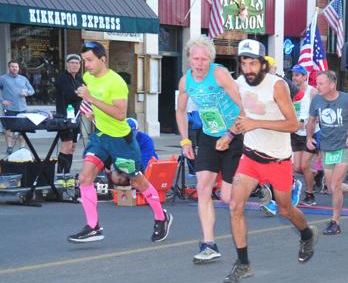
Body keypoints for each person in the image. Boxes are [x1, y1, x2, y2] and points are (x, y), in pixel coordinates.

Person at [222, 40, 318, 283]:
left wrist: (257, 124)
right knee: (235, 206)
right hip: (251, 156)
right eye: (244, 63)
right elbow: (243, 116)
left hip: (278, 160)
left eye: (253, 63)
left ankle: (307, 234)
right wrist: (230, 134)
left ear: (263, 63)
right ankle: (243, 263)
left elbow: (293, 124)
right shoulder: (240, 83)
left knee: (284, 209)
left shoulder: (277, 86)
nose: (248, 68)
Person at [67, 42, 171, 244]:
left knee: (136, 181)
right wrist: (89, 110)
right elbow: (93, 101)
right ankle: (93, 226)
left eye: (89, 60)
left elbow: (120, 114)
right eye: (83, 60)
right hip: (101, 137)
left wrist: (91, 99)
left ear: (102, 60)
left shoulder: (116, 82)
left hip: (121, 140)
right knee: (85, 177)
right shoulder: (88, 77)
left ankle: (161, 217)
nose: (85, 65)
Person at [175, 36, 244, 264]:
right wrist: (185, 141)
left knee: (226, 197)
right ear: (188, 59)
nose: (200, 63)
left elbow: (242, 107)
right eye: (195, 58)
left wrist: (230, 134)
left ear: (210, 60)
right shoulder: (186, 82)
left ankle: (258, 185)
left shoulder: (219, 74)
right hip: (209, 136)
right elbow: (181, 111)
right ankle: (209, 244)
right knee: (203, 188)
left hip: (234, 135)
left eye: (204, 59)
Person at [307, 70, 348, 234]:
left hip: (345, 146)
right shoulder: (316, 100)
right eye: (317, 82)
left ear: (332, 84)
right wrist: (309, 137)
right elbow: (311, 121)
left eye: (321, 83)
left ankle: (335, 222)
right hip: (326, 147)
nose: (318, 86)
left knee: (335, 185)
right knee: (330, 188)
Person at [289, 66, 318, 206]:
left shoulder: (312, 91)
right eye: (293, 75)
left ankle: (310, 195)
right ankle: (315, 174)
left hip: (309, 133)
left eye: (298, 75)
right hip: (295, 133)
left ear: (305, 77)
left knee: (305, 166)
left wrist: (310, 122)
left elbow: (320, 109)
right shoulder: (290, 91)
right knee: (297, 168)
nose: (294, 78)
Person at [54, 54, 84, 173]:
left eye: (77, 63)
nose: (74, 65)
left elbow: (85, 92)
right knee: (66, 144)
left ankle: (67, 172)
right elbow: (70, 95)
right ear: (67, 64)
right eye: (72, 63)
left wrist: (80, 93)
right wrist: (80, 93)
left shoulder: (79, 79)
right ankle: (61, 174)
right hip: (64, 117)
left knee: (73, 146)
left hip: (76, 117)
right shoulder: (62, 77)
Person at [1, 61, 35, 153]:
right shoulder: (3, 78)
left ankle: (22, 147)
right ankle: (9, 147)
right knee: (9, 129)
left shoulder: (23, 79)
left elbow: (32, 90)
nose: (15, 68)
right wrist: (2, 100)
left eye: (16, 67)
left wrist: (26, 93)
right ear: (9, 68)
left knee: (22, 129)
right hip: (9, 108)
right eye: (12, 66)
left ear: (18, 68)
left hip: (22, 108)